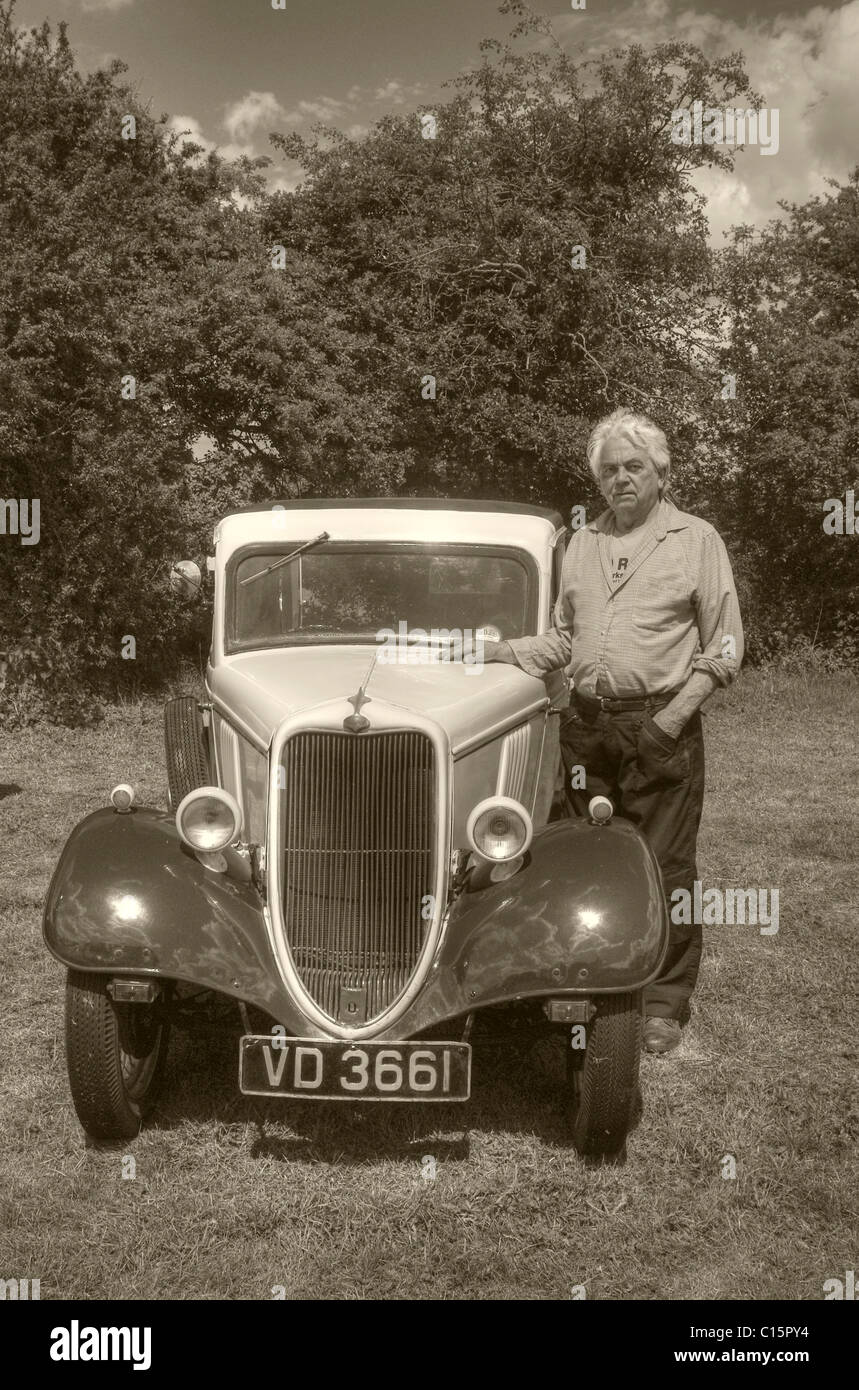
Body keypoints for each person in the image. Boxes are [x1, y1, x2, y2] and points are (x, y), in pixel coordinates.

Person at [484, 408, 744, 1053]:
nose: (621, 479)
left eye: (633, 466)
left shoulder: (696, 539)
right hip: (586, 725)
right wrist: (491, 652)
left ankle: (661, 1002)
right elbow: (565, 639)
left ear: (661, 471)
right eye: (609, 470)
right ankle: (583, 983)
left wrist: (671, 720)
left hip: (661, 723)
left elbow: (727, 645)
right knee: (577, 855)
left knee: (665, 865)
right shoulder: (584, 543)